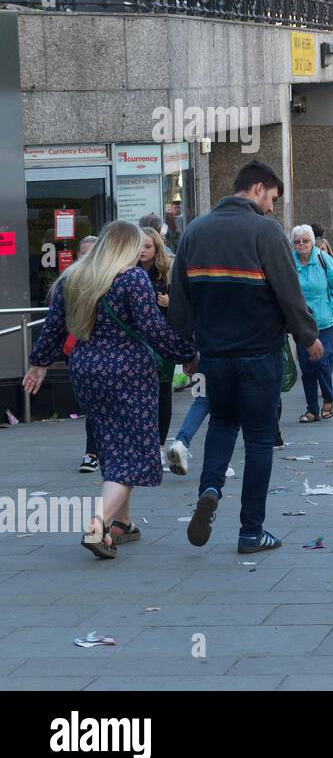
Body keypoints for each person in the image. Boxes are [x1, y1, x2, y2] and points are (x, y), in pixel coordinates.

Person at [169, 161, 321, 555]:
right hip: (259, 354)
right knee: (257, 439)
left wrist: (186, 350)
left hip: (214, 356)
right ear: (257, 188)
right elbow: (289, 293)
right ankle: (251, 532)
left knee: (221, 421)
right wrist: (309, 338)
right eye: (271, 198)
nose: (272, 208)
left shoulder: (194, 231)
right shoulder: (264, 231)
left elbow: (181, 299)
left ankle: (210, 489)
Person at [24, 221, 196, 559]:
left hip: (86, 370)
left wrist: (38, 362)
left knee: (113, 443)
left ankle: (123, 524)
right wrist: (188, 354)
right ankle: (97, 523)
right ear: (127, 248)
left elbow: (54, 327)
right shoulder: (132, 279)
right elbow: (152, 329)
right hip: (128, 372)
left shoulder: (74, 277)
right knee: (134, 451)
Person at [290, 224, 333, 423]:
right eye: (297, 242)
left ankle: (329, 397)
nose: (301, 245)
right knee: (306, 366)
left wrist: (331, 306)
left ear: (313, 242)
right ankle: (312, 410)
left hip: (323, 321)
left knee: (321, 361)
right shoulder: (289, 262)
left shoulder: (324, 259)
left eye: (305, 241)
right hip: (301, 322)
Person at [137, 226, 175, 456]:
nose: (142, 250)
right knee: (140, 393)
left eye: (148, 246)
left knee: (162, 391)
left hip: (162, 340)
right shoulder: (129, 270)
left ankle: (159, 445)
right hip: (137, 339)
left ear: (157, 248)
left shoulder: (167, 271)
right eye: (139, 245)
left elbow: (183, 308)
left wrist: (170, 304)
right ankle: (143, 442)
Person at [73, 235, 102, 474]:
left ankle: (99, 451)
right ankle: (92, 453)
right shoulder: (71, 282)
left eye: (93, 253)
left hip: (110, 356)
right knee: (93, 408)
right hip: (82, 353)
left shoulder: (112, 280)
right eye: (84, 253)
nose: (89, 258)